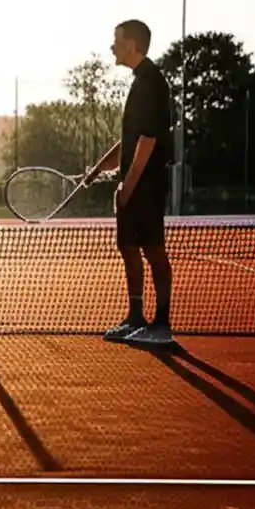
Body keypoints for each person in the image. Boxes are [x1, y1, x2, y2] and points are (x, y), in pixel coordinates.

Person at [81, 19, 176, 345]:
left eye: (117, 41)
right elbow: (129, 140)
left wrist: (128, 186)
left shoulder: (152, 82)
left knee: (153, 250)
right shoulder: (139, 81)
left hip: (146, 186)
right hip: (135, 185)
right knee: (129, 248)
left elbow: (147, 141)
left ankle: (161, 325)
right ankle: (135, 319)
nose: (112, 47)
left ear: (132, 45)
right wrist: (97, 169)